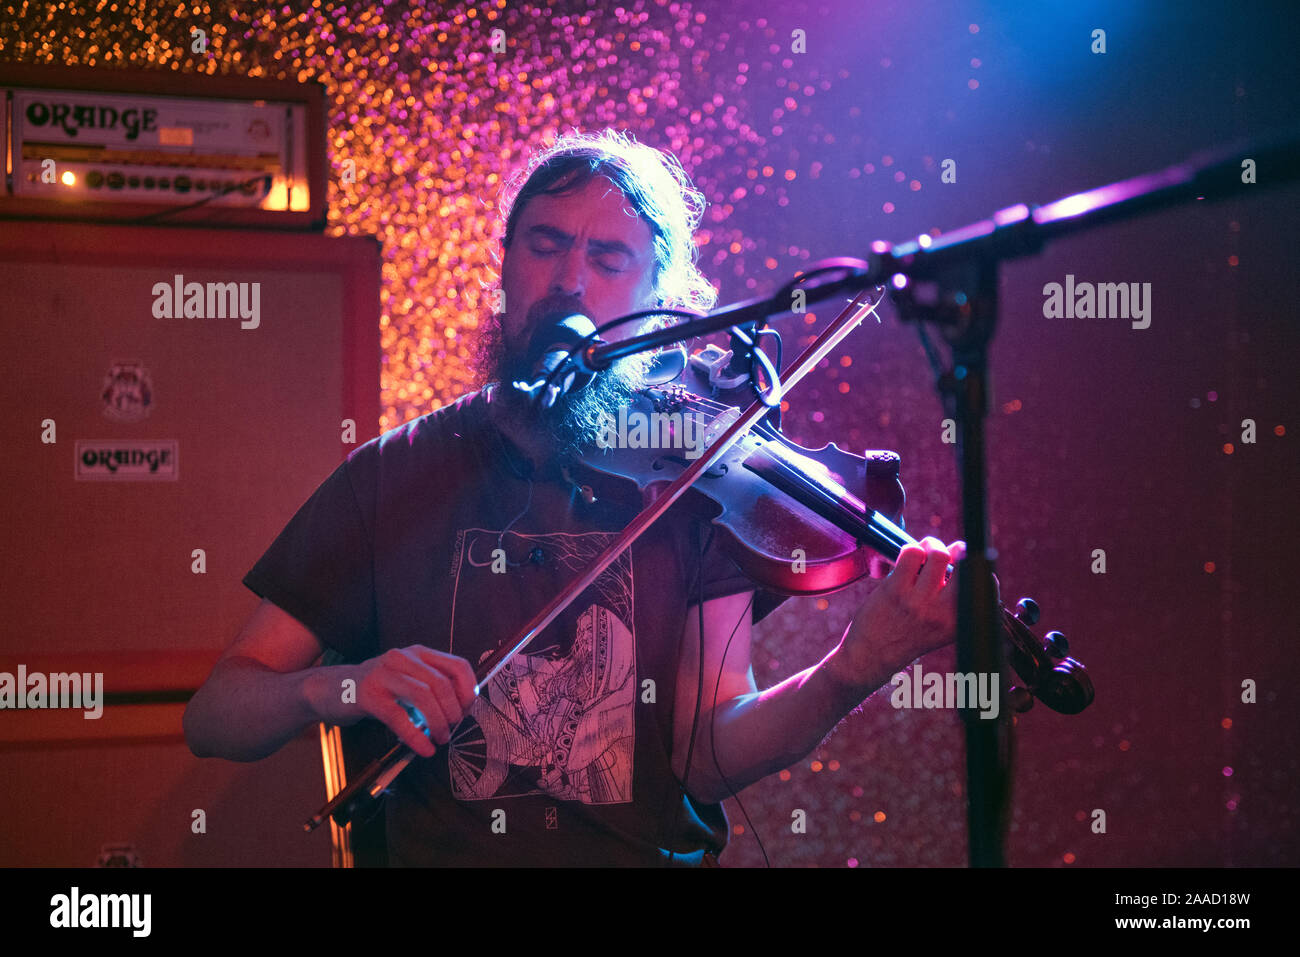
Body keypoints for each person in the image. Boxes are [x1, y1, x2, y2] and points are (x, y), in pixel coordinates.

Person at [183, 129, 968, 866]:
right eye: (546, 244)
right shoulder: (396, 471)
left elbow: (705, 752)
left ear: (663, 292)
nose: (568, 280)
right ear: (505, 266)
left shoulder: (703, 474)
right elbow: (216, 713)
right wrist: (340, 685)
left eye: (609, 256)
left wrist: (849, 670)